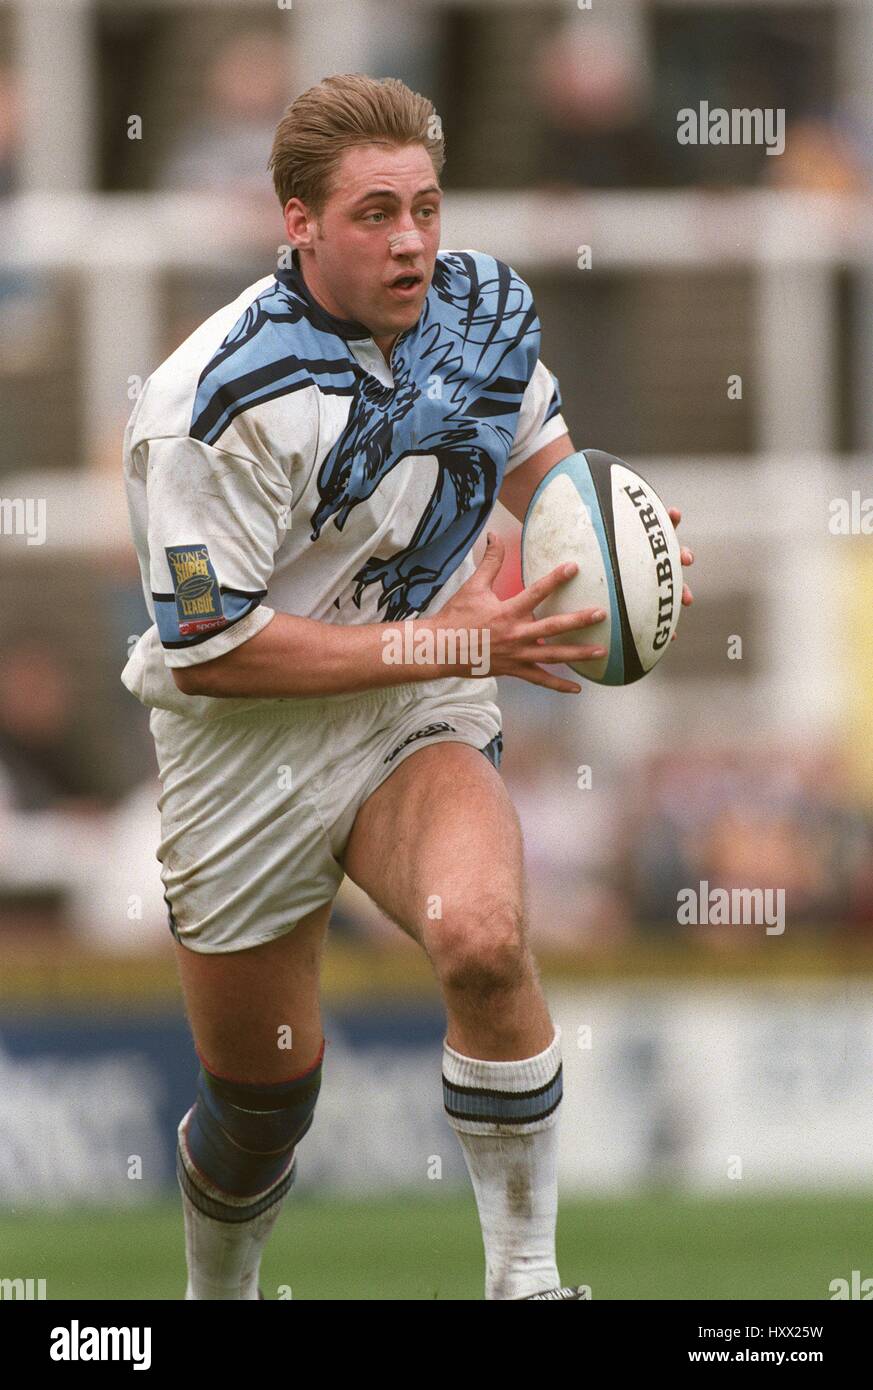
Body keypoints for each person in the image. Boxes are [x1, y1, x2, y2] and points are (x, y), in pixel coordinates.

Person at [121, 73, 694, 1301]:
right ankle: (212, 1297)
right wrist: (460, 644)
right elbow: (213, 650)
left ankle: (526, 1281)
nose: (414, 240)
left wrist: (609, 548)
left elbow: (540, 468)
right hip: (242, 746)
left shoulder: (486, 307)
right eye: (376, 213)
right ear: (297, 221)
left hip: (415, 710)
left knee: (482, 940)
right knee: (264, 1100)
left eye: (426, 206)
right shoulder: (207, 402)